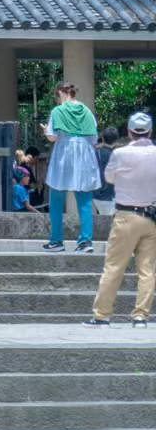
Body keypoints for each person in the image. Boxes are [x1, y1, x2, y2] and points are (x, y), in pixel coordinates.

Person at [84, 110, 156, 328]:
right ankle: (140, 316)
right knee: (147, 270)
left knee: (114, 266)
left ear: (129, 131)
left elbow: (109, 177)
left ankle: (102, 315)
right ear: (150, 131)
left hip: (126, 216)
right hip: (151, 216)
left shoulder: (120, 153)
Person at [42, 81, 100, 251]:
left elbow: (52, 137)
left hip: (64, 152)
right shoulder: (87, 111)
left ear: (61, 92)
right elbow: (94, 138)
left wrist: (45, 131)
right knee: (84, 200)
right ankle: (85, 242)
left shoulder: (58, 111)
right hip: (85, 153)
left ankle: (56, 241)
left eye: (57, 95)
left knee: (56, 198)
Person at [95, 125, 120, 222]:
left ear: (103, 138)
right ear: (116, 141)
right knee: (110, 224)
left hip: (95, 194)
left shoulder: (96, 152)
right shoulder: (116, 155)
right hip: (109, 196)